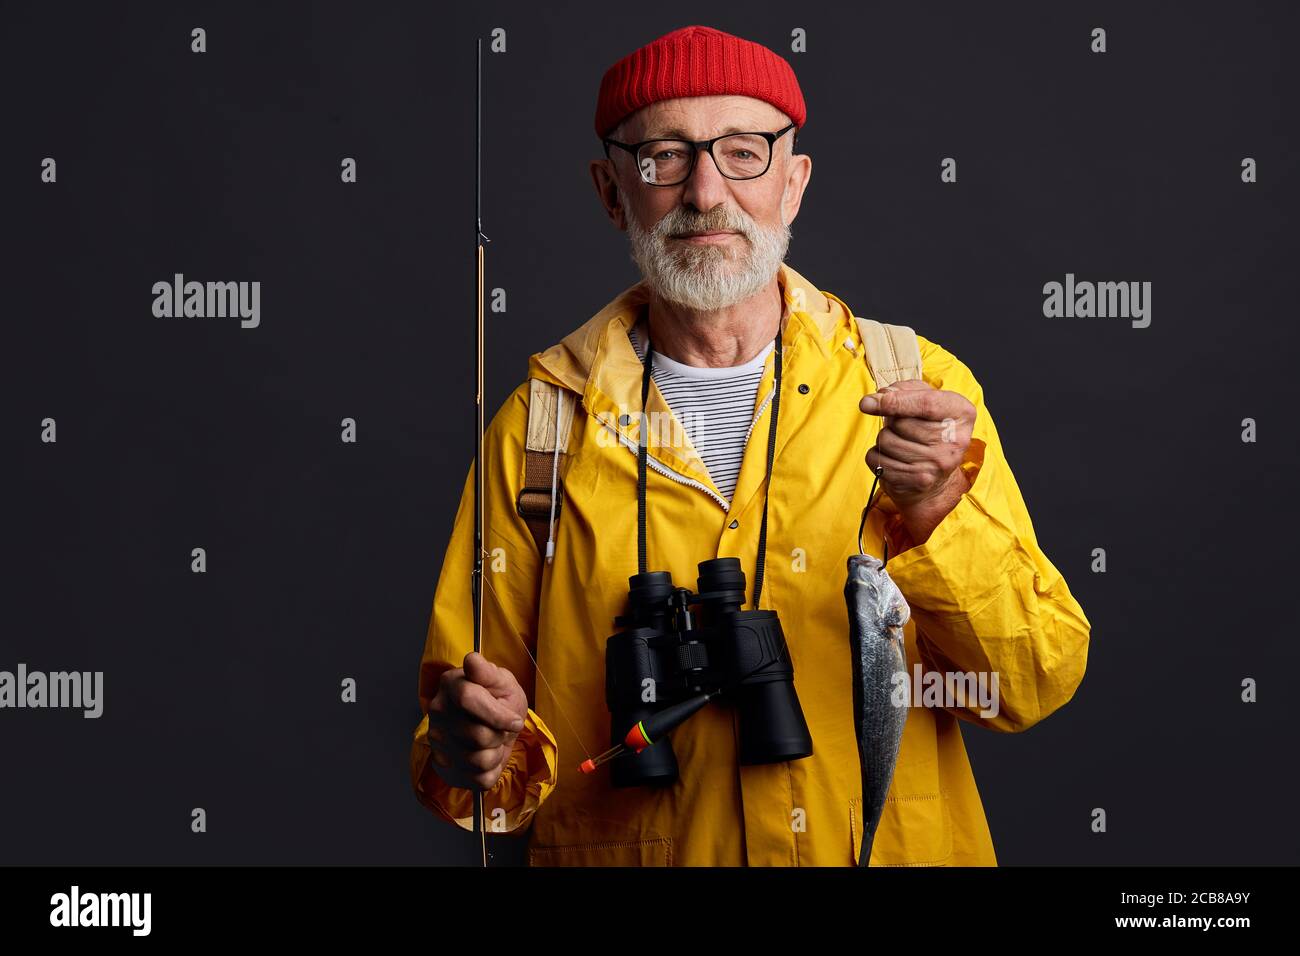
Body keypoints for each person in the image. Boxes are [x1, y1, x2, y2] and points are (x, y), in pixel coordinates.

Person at [410, 24, 1090, 866]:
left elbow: (1033, 682)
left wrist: (939, 514)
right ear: (612, 190)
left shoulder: (921, 391)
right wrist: (470, 747)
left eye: (743, 153)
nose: (705, 192)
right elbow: (466, 753)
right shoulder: (540, 429)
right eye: (664, 155)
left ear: (793, 183)